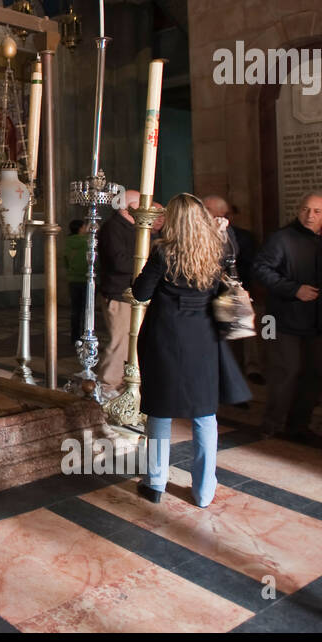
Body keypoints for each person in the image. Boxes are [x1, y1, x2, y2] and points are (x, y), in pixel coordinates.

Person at [132, 194, 227, 508]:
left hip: (166, 338)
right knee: (204, 415)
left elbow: (141, 292)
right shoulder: (215, 249)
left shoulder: (163, 252)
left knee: (160, 410)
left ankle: (155, 482)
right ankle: (203, 492)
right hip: (202, 339)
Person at [252, 191, 322, 441]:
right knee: (286, 372)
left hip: (319, 320)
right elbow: (260, 269)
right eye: (305, 210)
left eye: (317, 211)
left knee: (313, 374)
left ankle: (300, 425)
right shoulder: (282, 238)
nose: (309, 216)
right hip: (286, 318)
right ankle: (272, 424)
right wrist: (293, 289)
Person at [204, 195, 263, 383]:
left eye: (207, 210)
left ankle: (241, 376)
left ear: (221, 214)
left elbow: (240, 262)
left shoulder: (236, 236)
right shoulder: (194, 233)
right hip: (206, 296)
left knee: (239, 339)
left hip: (230, 293)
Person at [98, 189, 141, 392]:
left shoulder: (134, 227)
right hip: (119, 293)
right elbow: (119, 262)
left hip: (133, 292)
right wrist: (145, 263)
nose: (144, 208)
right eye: (139, 204)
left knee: (133, 341)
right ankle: (108, 383)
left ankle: (127, 382)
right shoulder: (113, 228)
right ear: (127, 207)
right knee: (121, 341)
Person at [62, 219, 88, 350]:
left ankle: (74, 337)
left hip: (73, 279)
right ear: (80, 228)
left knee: (75, 310)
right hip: (85, 279)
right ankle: (85, 336)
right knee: (86, 309)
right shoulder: (86, 242)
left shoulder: (68, 242)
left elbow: (65, 261)